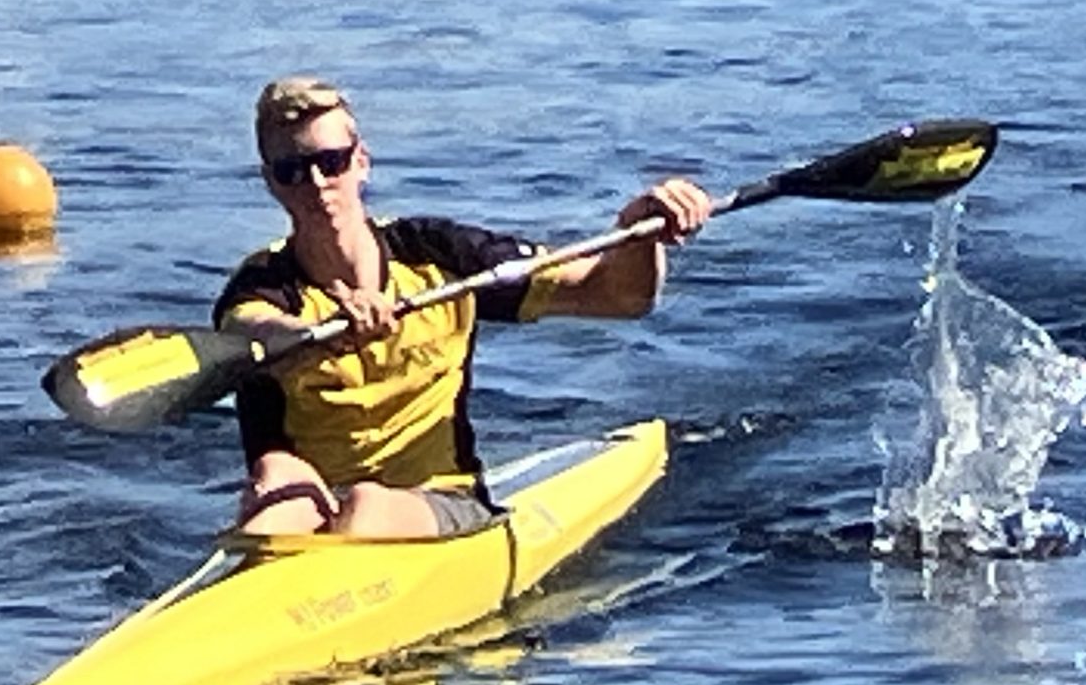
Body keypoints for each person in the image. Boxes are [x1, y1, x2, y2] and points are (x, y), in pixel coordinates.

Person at [213, 77, 713, 540]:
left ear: (361, 161)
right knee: (276, 480)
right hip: (312, 502)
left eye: (332, 162)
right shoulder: (260, 287)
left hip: (439, 500)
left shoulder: (441, 256)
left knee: (367, 505)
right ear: (271, 181)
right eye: (292, 170)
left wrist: (638, 231)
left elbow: (617, 297)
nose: (316, 182)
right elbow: (256, 334)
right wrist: (324, 330)